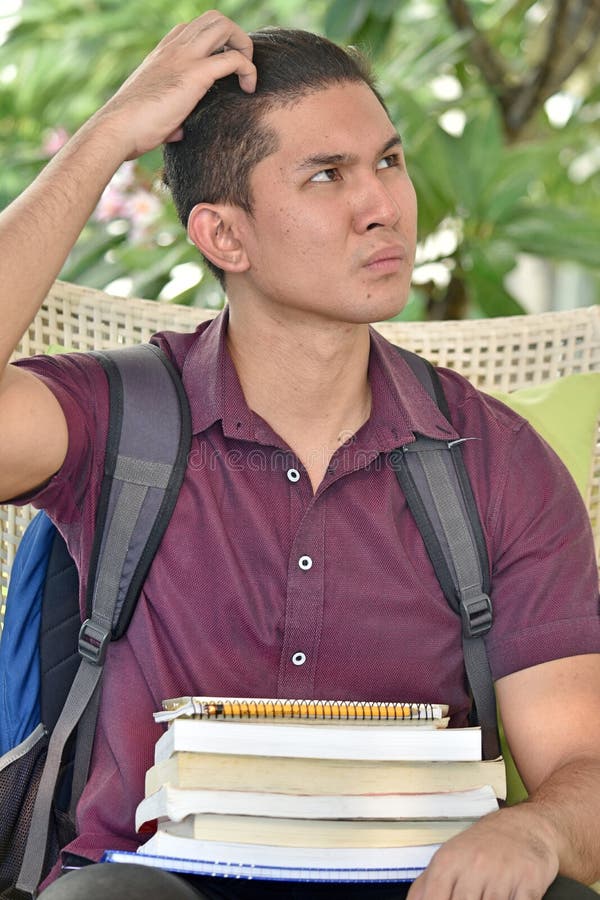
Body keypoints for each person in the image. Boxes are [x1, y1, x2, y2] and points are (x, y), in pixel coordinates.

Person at [1, 11, 599, 900]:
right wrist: (108, 138)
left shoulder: (496, 460)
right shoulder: (115, 420)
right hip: (147, 886)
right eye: (327, 175)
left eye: (388, 162)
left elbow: (581, 767)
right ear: (224, 237)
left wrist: (537, 828)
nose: (383, 205)